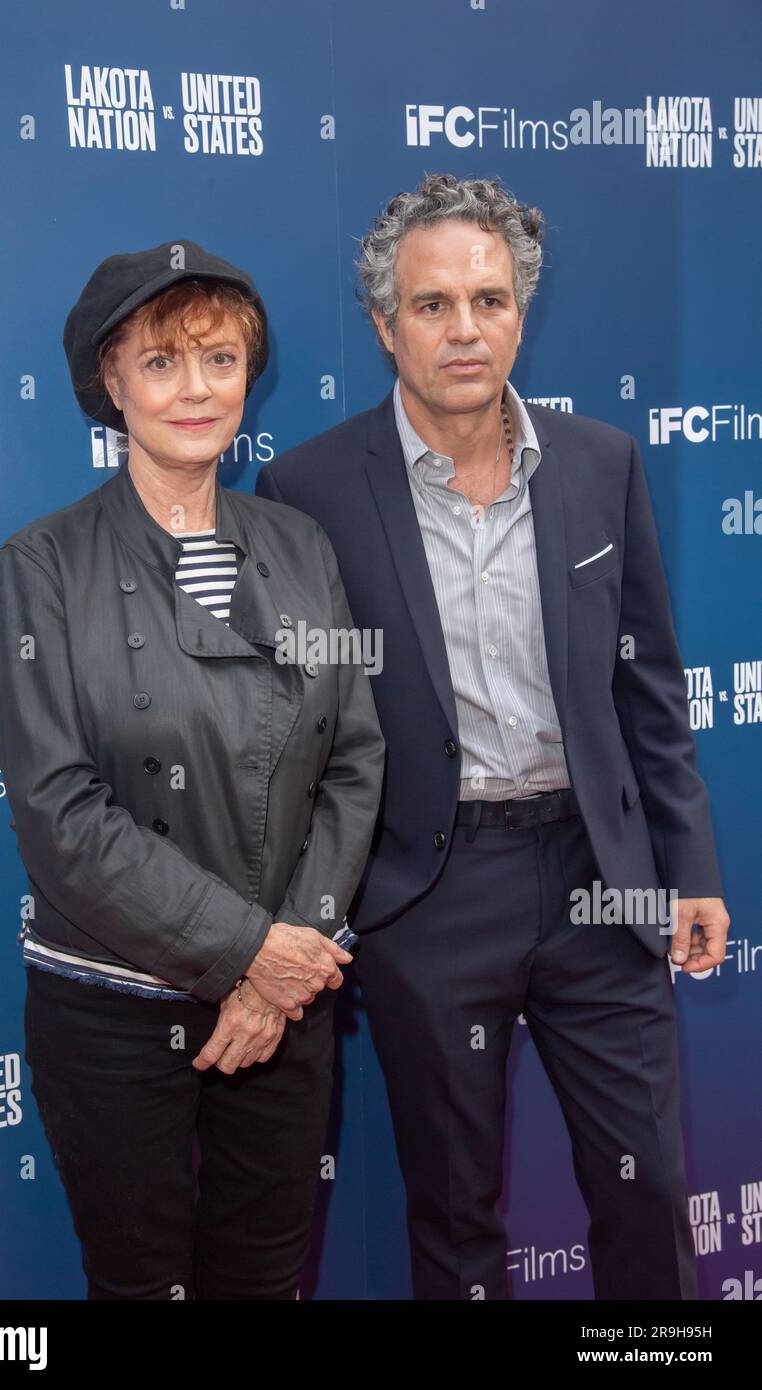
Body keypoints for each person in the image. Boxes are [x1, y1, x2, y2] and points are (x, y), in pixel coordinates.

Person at [255, 174, 730, 1300]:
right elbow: (297, 728)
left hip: (598, 881)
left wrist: (688, 868)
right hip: (427, 888)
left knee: (648, 1187)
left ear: (520, 309)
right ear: (383, 325)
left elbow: (647, 689)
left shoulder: (600, 463)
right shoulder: (309, 486)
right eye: (430, 305)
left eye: (487, 298)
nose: (463, 328)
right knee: (453, 1210)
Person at [0, 238, 385, 1300]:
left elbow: (353, 755)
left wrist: (284, 966)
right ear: (107, 384)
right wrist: (247, 953)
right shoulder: (42, 567)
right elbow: (58, 810)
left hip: (289, 1006)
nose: (195, 388)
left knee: (267, 1276)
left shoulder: (301, 547)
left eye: (218, 358)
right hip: (115, 1010)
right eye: (159, 363)